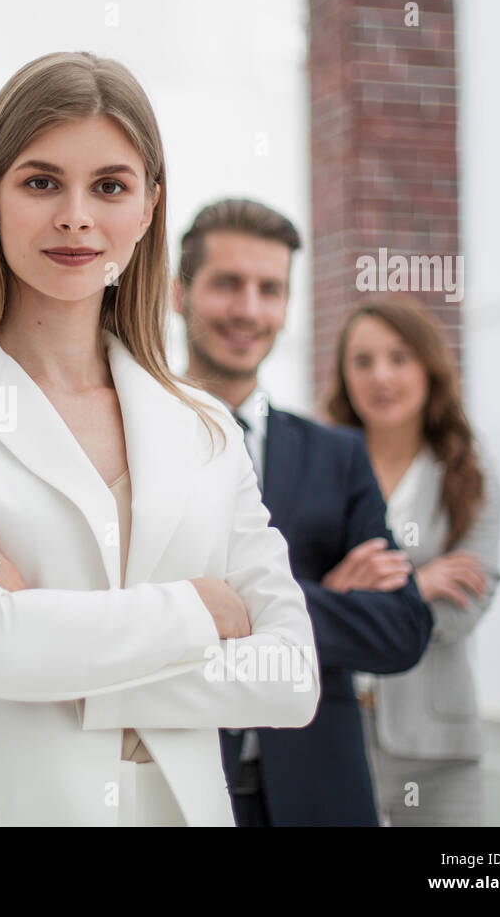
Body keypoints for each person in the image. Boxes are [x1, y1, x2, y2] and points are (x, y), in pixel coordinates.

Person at [0, 52, 319, 827]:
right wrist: (199, 610)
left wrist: (36, 612)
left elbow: (289, 675)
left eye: (109, 186)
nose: (76, 215)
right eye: (41, 182)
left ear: (147, 208)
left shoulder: (205, 426)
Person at [172, 199, 432, 826]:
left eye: (271, 290)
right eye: (228, 284)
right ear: (180, 294)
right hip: (180, 783)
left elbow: (402, 629)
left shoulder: (337, 454)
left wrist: (255, 603)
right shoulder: (129, 438)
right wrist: (321, 597)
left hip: (322, 791)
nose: (251, 310)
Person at [326, 299, 500, 826]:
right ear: (344, 375)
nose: (381, 376)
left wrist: (350, 599)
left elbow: (468, 600)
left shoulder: (469, 472)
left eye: (398, 357)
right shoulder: (323, 466)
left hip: (438, 744)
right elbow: (295, 599)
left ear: (428, 366)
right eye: (363, 361)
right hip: (331, 733)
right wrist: (418, 584)